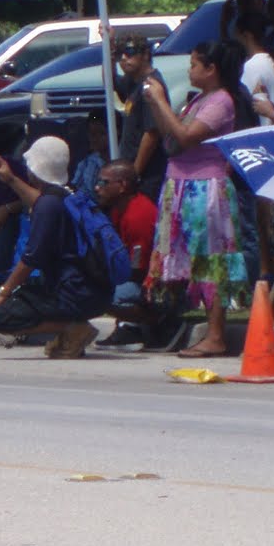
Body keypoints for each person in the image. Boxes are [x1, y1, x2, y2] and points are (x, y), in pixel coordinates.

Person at [139, 39, 248, 358]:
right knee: (187, 260)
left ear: (211, 69)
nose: (189, 69)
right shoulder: (200, 99)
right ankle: (180, 321)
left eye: (194, 64)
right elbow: (171, 137)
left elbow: (186, 137)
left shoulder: (221, 101)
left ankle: (216, 334)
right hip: (182, 183)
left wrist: (161, 100)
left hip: (205, 188)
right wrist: (158, 105)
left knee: (209, 261)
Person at [0, 138, 109, 357]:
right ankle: (69, 334)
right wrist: (11, 179)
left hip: (73, 293)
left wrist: (2, 294)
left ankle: (72, 328)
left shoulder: (48, 206)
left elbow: (31, 258)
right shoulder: (70, 194)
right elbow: (40, 201)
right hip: (95, 291)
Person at [90, 160, 181, 351]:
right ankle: (129, 327)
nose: (97, 188)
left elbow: (137, 269)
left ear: (122, 186)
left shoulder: (137, 216)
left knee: (101, 295)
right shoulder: (119, 209)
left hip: (160, 285)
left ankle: (159, 321)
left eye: (104, 183)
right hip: (141, 279)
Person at [114, 34, 168, 201]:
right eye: (120, 54)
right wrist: (108, 50)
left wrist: (134, 174)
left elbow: (152, 134)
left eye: (130, 52)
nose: (124, 58)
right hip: (133, 172)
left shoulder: (150, 85)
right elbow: (110, 82)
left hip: (147, 177)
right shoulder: (134, 82)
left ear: (145, 54)